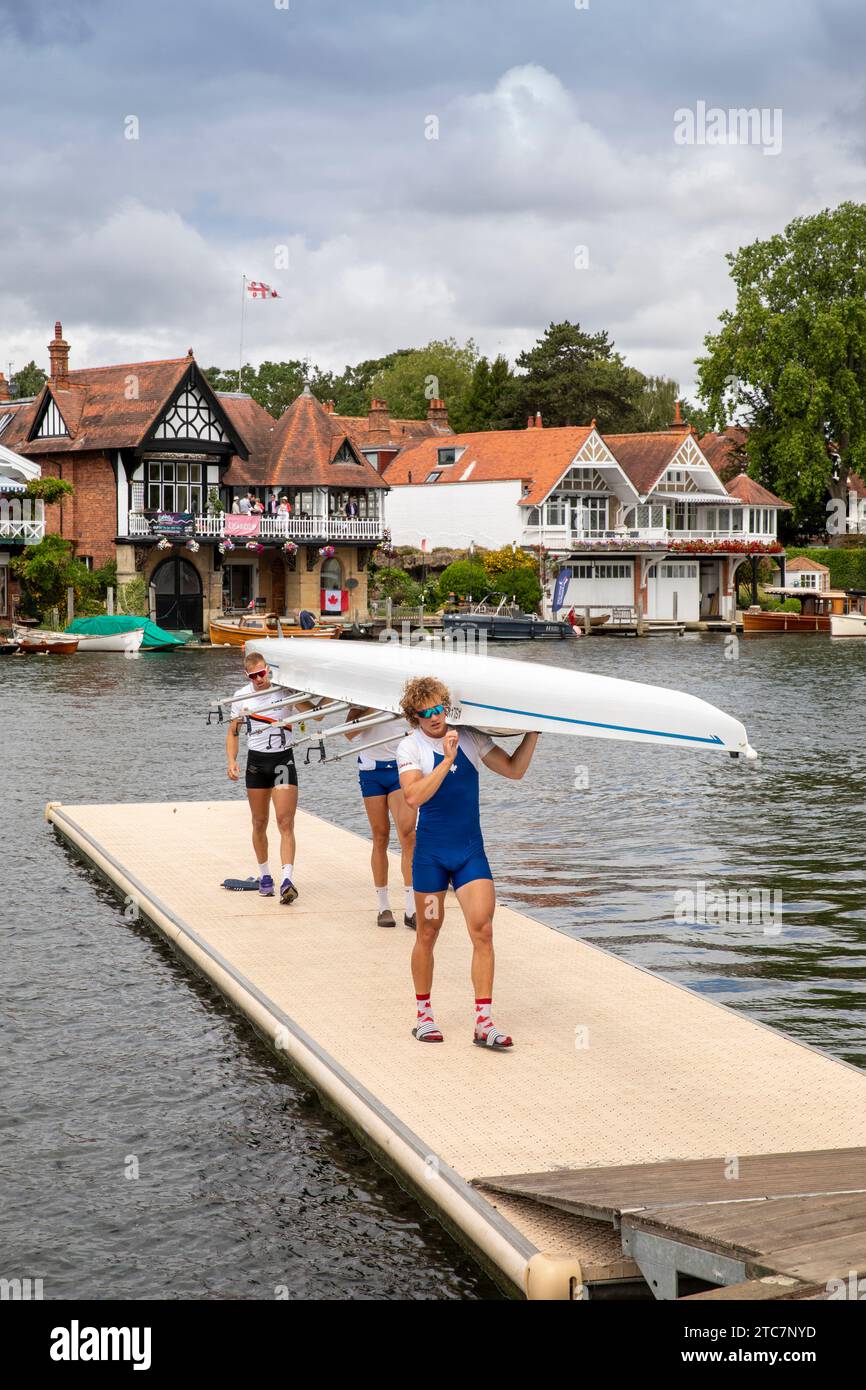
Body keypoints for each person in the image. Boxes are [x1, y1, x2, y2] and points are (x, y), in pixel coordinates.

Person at [397, 677, 538, 1050]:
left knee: (483, 930)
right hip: (430, 859)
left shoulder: (471, 739)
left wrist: (535, 732)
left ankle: (484, 1022)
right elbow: (413, 797)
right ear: (414, 716)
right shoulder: (409, 747)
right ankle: (423, 1015)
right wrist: (446, 759)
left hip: (469, 854)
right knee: (428, 932)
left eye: (438, 708)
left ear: (446, 706)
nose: (433, 716)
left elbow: (514, 770)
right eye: (424, 712)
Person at [226, 649, 314, 905]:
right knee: (258, 822)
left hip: (282, 760)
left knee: (285, 821)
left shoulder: (283, 691)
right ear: (247, 675)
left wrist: (299, 693)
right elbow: (233, 733)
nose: (259, 679)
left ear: (269, 670)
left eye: (263, 673)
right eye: (254, 676)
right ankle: (265, 877)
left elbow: (315, 714)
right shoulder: (240, 698)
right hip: (256, 763)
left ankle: (287, 879)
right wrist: (231, 761)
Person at [344, 706, 416, 929]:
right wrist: (366, 709)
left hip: (400, 768)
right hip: (371, 770)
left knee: (408, 835)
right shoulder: (363, 700)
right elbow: (349, 733)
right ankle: (383, 906)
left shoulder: (407, 701)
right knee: (380, 836)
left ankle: (411, 908)